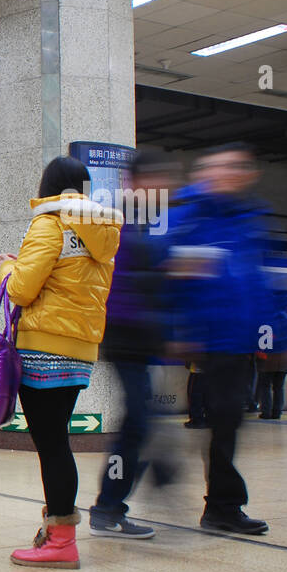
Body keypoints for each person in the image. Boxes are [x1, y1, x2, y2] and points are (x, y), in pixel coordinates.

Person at [0, 156, 121, 569]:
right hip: (79, 352)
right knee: (57, 442)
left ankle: (61, 541)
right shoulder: (103, 233)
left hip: (43, 348)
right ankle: (56, 531)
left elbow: (21, 291)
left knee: (50, 446)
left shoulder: (48, 225)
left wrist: (7, 267)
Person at [165, 143, 271, 534]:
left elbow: (255, 281)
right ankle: (222, 507)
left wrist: (265, 331)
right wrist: (183, 331)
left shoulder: (246, 217)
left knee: (229, 423)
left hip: (239, 340)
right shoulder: (193, 215)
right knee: (224, 423)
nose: (233, 174)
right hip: (213, 340)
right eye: (224, 168)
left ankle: (221, 505)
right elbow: (178, 276)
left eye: (240, 168)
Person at [89, 152, 181, 539]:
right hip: (125, 338)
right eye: (158, 178)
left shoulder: (143, 224)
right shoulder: (116, 222)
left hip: (139, 340)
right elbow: (122, 285)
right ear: (135, 181)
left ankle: (110, 505)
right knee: (138, 423)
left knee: (139, 422)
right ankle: (108, 507)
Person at [256, 348, 287, 419]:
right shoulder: (286, 336)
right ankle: (277, 412)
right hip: (283, 362)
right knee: (279, 388)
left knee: (265, 387)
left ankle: (266, 412)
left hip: (267, 362)